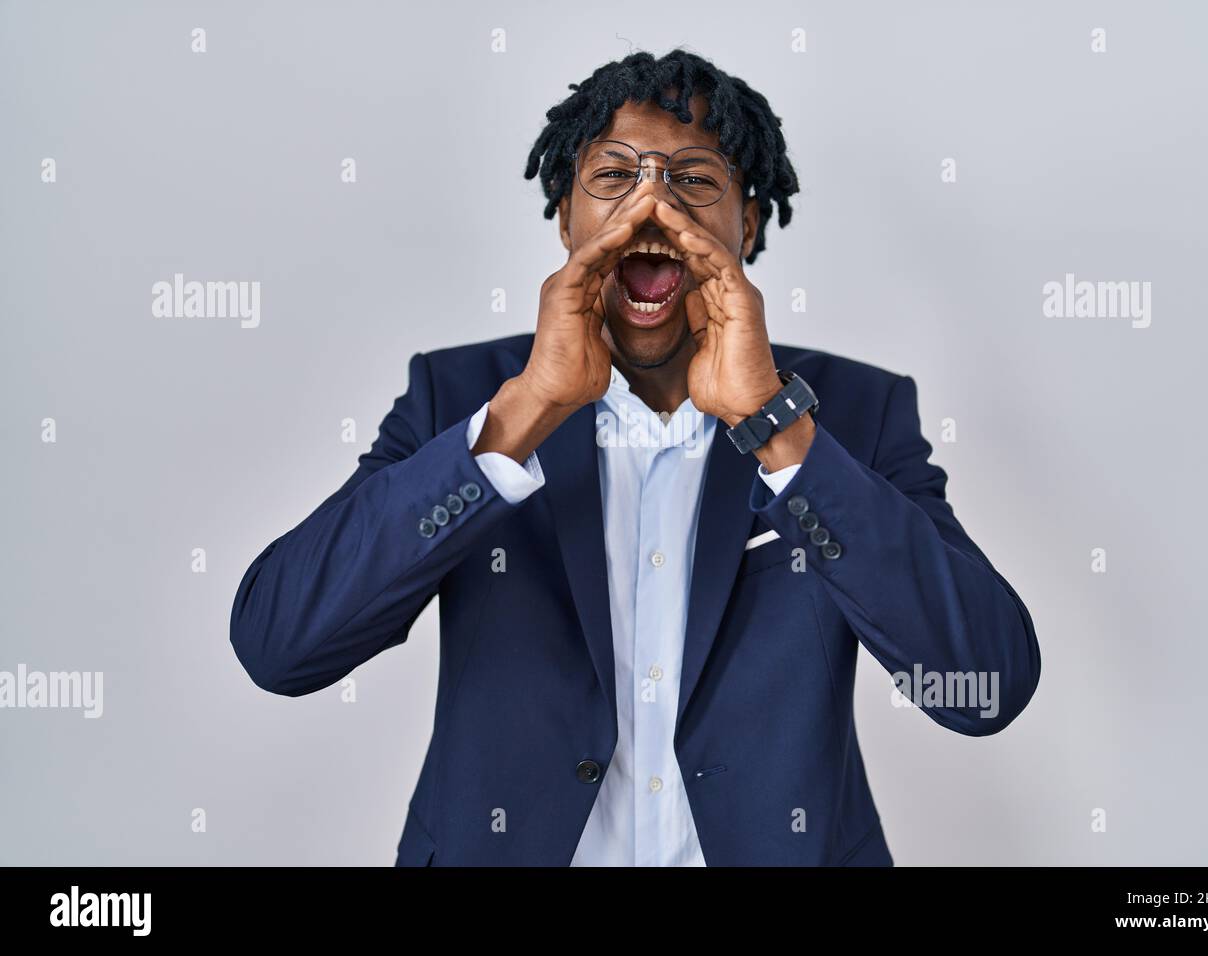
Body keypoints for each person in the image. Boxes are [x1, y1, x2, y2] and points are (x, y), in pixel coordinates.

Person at [230, 48, 1041, 866]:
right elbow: (281, 643)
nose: (652, 207)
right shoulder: (458, 397)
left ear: (747, 225)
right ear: (564, 218)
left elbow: (987, 685)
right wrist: (524, 416)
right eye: (614, 176)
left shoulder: (857, 413)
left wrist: (777, 428)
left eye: (693, 179)